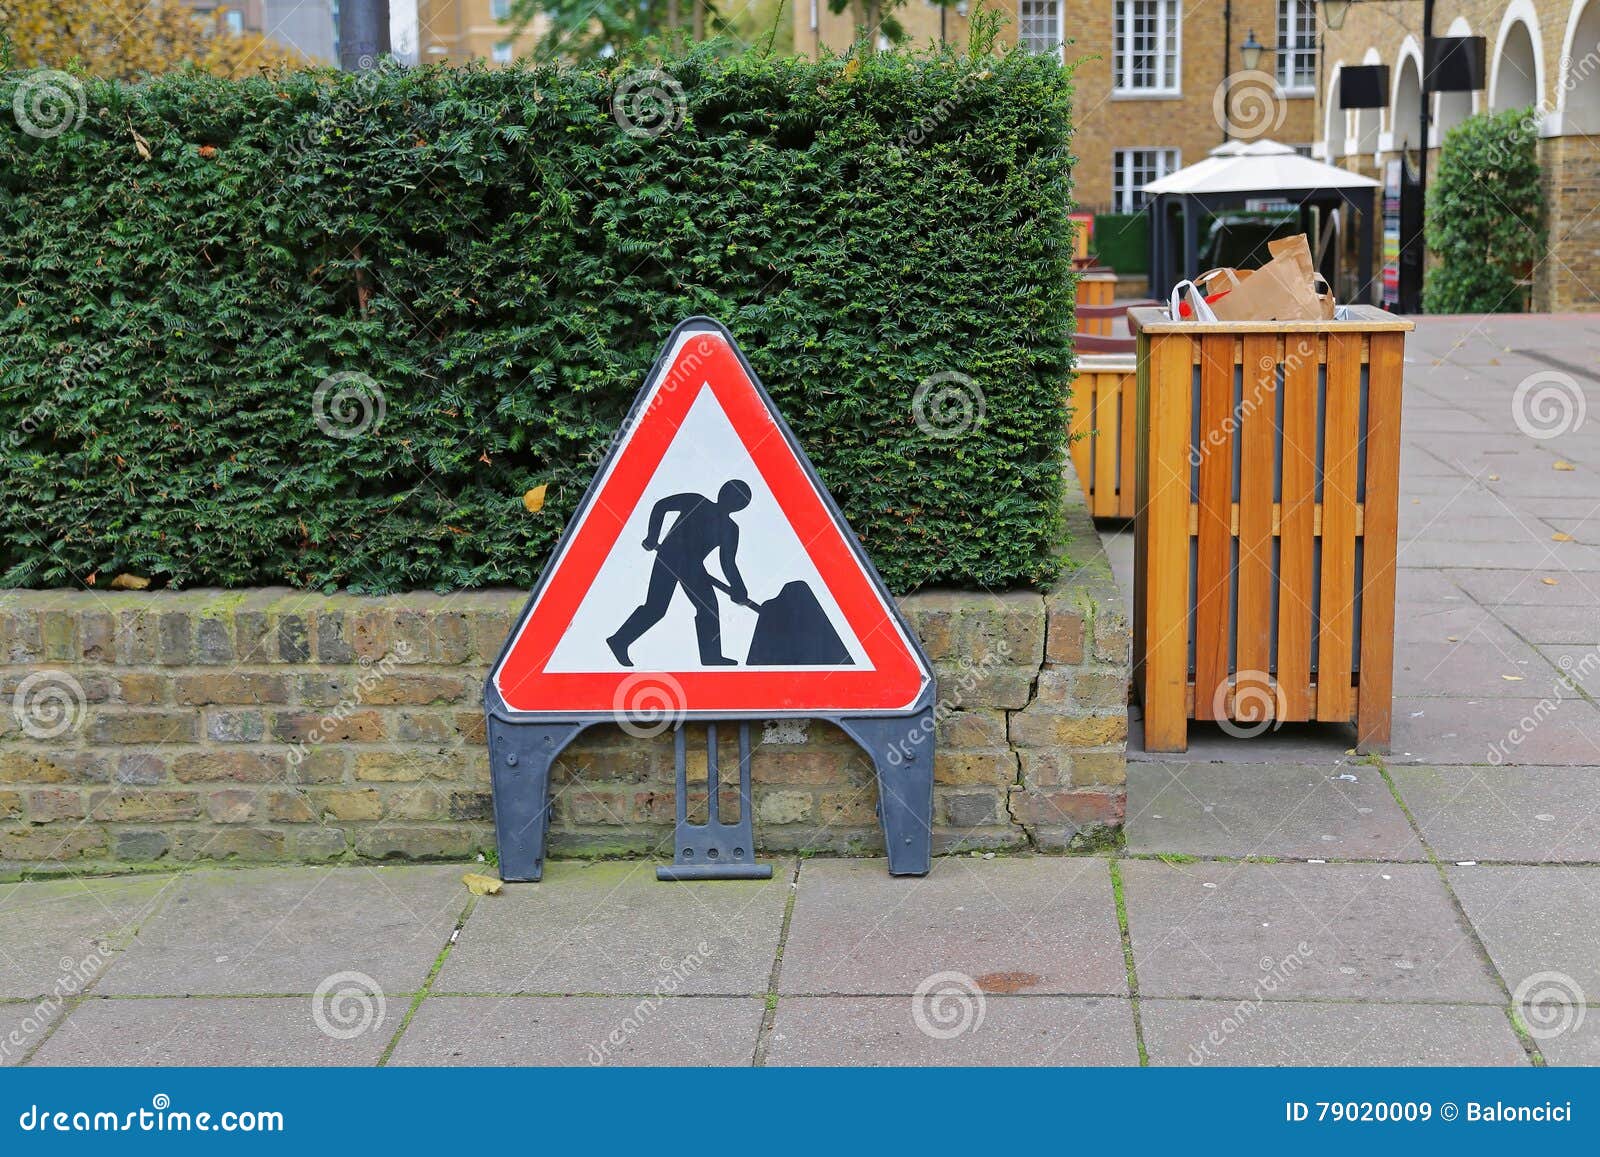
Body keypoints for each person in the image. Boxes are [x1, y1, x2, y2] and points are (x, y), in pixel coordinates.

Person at [606, 480, 753, 667]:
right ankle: (619, 641)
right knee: (657, 607)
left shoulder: (731, 529)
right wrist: (653, 536)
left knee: (706, 607)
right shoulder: (696, 501)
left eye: (739, 501)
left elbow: (727, 561)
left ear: (741, 507)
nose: (733, 502)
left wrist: (738, 586)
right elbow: (661, 506)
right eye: (733, 496)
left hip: (692, 565)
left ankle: (711, 656)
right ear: (722, 493)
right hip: (670, 556)